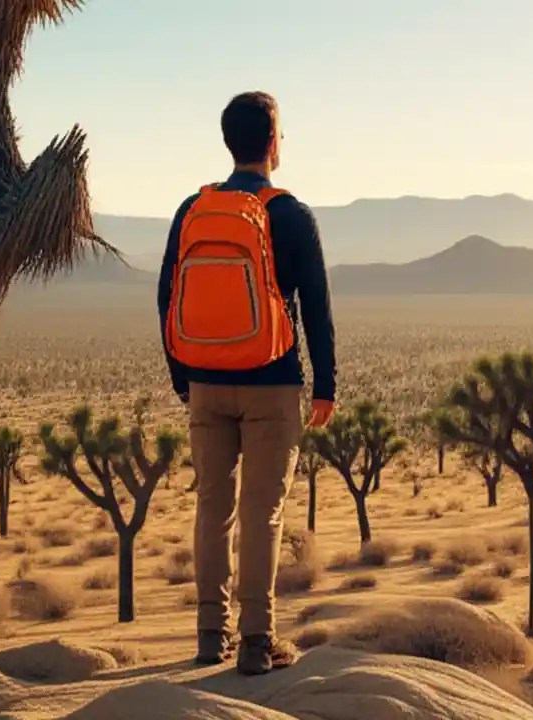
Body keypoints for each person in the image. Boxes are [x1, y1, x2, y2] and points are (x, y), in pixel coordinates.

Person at [157, 91, 336, 675]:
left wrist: (185, 378)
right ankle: (258, 641)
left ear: (229, 141)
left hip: (206, 382)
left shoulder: (193, 209)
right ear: (274, 142)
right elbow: (316, 309)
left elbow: (167, 298)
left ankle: (212, 634)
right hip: (272, 382)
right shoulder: (291, 213)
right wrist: (325, 384)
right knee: (263, 512)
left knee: (213, 508)